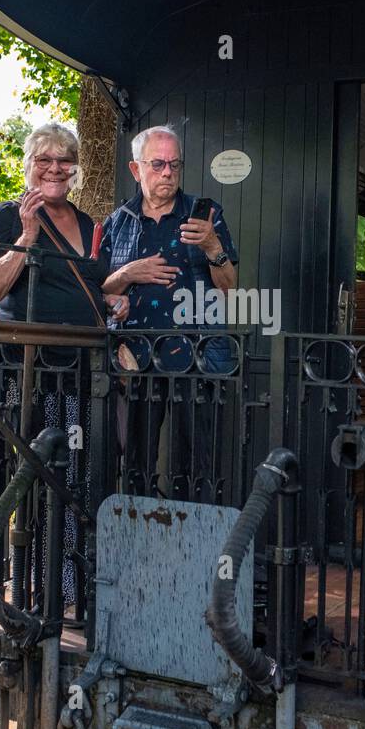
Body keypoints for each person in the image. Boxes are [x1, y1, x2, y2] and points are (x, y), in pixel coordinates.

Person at [0, 121, 128, 610]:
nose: (56, 169)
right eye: (45, 160)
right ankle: (19, 588)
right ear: (29, 165)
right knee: (28, 478)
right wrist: (28, 233)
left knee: (75, 480)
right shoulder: (6, 216)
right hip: (29, 375)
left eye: (64, 160)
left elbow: (91, 289)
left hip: (81, 374)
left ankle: (67, 587)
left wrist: (112, 304)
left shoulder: (89, 224)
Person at [100, 124, 240, 501]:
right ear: (136, 169)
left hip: (197, 358)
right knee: (136, 465)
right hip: (136, 361)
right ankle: (140, 549)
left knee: (196, 467)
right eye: (158, 164)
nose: (167, 173)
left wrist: (212, 246)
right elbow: (98, 290)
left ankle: (197, 555)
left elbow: (229, 287)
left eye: (174, 165)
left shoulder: (205, 214)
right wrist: (130, 273)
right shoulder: (118, 221)